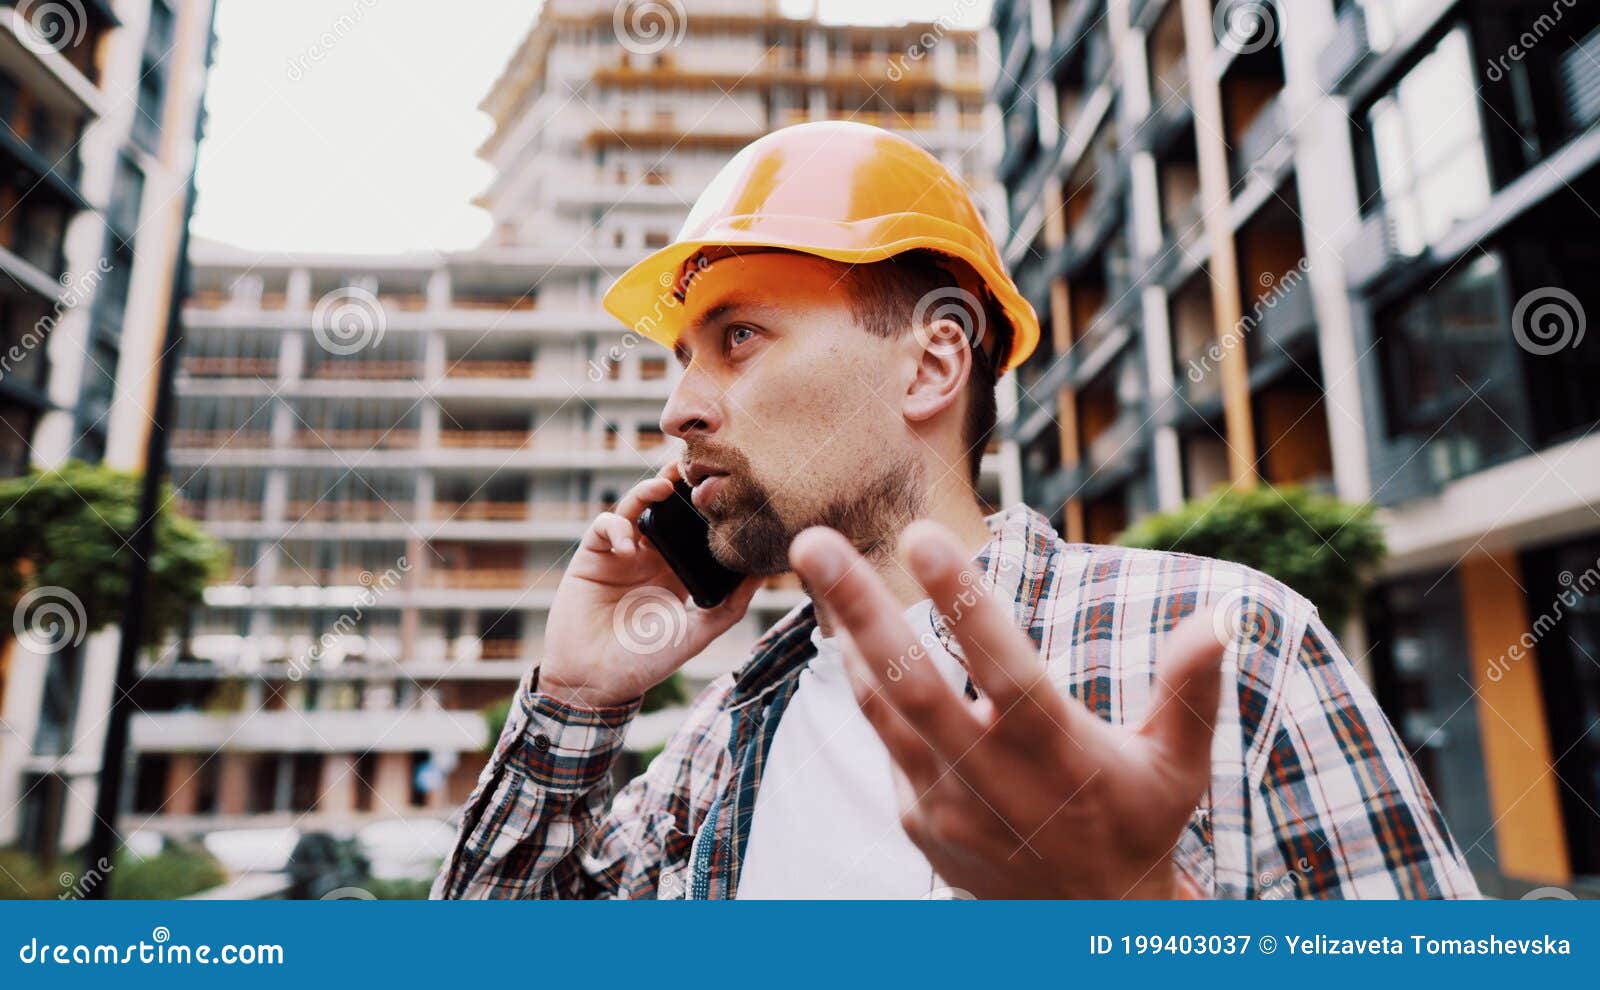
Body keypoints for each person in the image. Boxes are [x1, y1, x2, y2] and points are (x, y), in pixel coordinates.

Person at [431, 121, 1478, 900]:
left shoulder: (1225, 649)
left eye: (739, 337)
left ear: (932, 360)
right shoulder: (714, 751)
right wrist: (573, 700)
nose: (677, 411)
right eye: (679, 361)